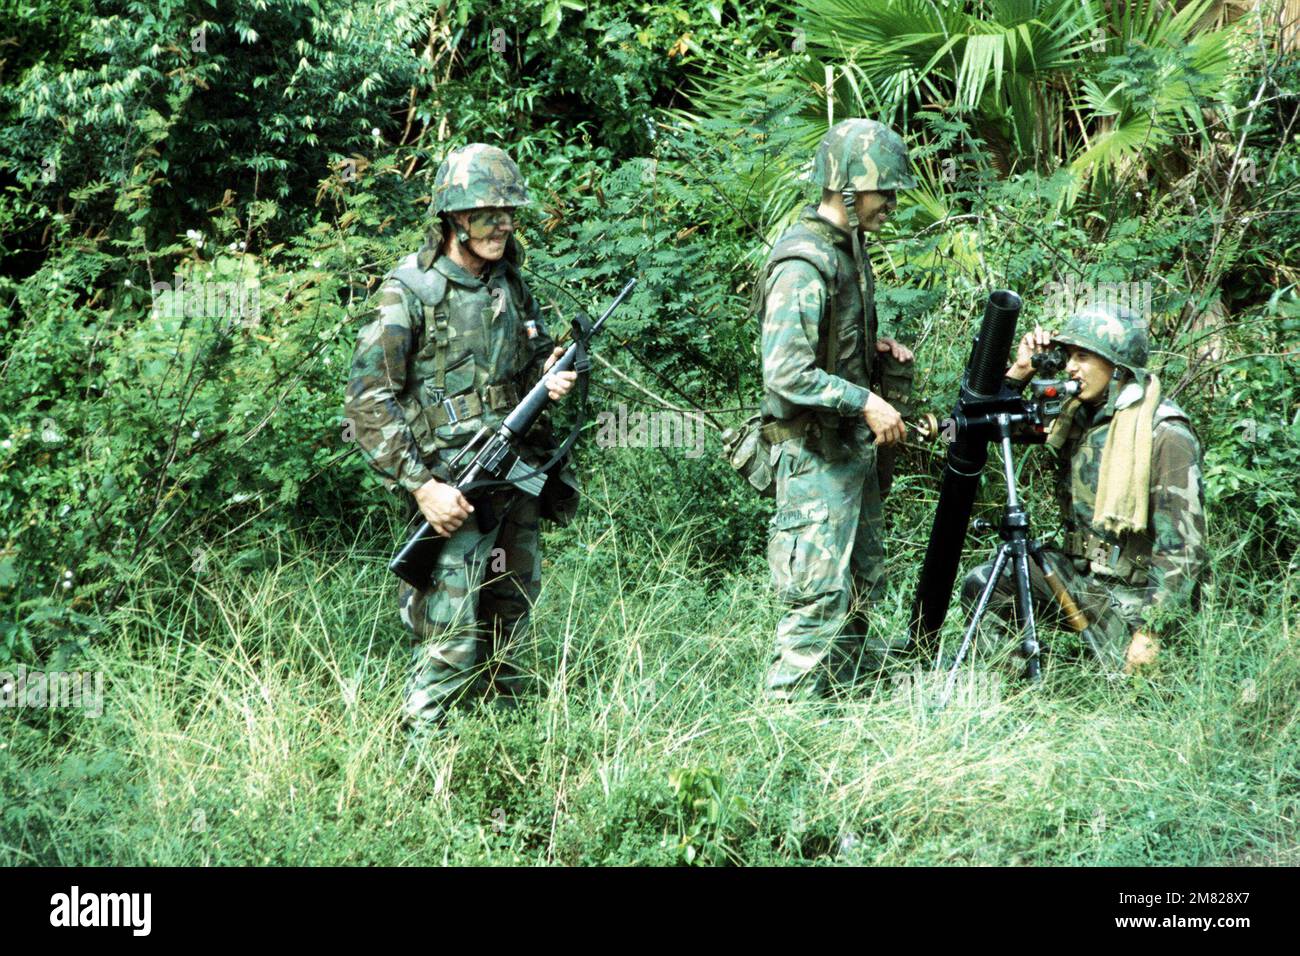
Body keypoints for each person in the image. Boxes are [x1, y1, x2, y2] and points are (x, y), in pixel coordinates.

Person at [344, 143, 578, 732]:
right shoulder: (411, 290)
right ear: (454, 218)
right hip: (452, 483)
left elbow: (521, 375)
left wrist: (548, 377)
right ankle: (421, 740)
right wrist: (423, 489)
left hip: (512, 473)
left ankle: (506, 738)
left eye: (508, 212)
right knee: (451, 628)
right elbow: (369, 400)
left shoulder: (510, 285)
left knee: (510, 607)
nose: (501, 223)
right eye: (486, 212)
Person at [759, 118, 918, 701]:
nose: (891, 204)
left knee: (859, 593)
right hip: (813, 459)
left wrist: (868, 358)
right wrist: (864, 398)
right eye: (884, 191)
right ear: (847, 187)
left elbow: (826, 350)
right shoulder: (805, 262)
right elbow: (784, 372)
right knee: (815, 605)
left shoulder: (848, 251)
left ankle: (838, 721)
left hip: (847, 458)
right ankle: (780, 732)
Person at [961, 303, 1208, 674]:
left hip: (1136, 596)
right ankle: (1013, 689)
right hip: (1084, 581)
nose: (1070, 367)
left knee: (1139, 691)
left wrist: (1151, 631)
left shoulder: (1163, 433)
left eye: (1083, 357)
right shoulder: (1074, 413)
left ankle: (1134, 656)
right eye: (1068, 356)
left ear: (1118, 366)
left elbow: (1181, 549)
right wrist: (1021, 370)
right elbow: (988, 424)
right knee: (987, 582)